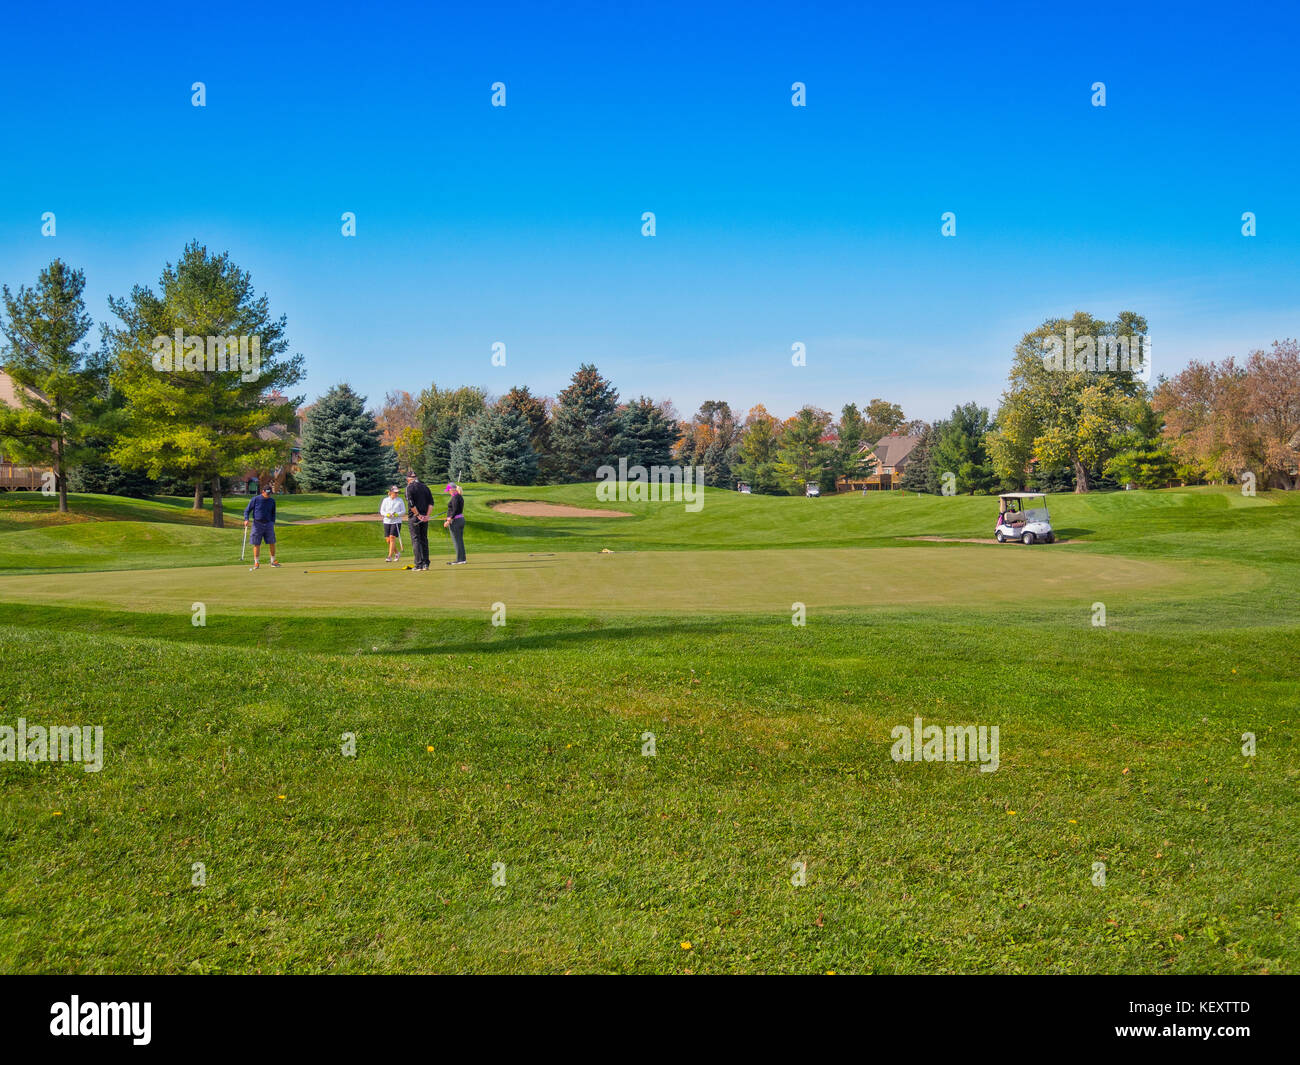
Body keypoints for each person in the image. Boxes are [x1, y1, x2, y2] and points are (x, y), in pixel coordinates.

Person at [243, 484, 280, 570]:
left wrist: (272, 522)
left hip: (268, 524)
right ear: (262, 491)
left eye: (270, 493)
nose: (268, 494)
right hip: (257, 524)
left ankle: (273, 561)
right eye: (267, 493)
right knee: (256, 543)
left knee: (272, 542)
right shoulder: (255, 499)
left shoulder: (272, 501)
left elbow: (273, 513)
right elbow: (247, 510)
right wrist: (246, 519)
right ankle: (256, 562)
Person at [405, 472, 434, 571]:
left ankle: (419, 564)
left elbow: (411, 504)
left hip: (415, 517)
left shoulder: (409, 488)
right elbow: (431, 504)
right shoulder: (425, 487)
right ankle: (426, 564)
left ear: (408, 479)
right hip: (424, 517)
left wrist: (418, 515)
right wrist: (427, 516)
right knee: (424, 540)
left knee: (416, 540)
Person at [379, 484, 406, 562]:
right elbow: (382, 511)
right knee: (388, 540)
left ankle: (389, 556)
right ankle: (397, 553)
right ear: (390, 492)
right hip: (387, 521)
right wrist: (387, 514)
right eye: (395, 492)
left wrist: (397, 514)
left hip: (396, 521)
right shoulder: (385, 500)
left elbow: (403, 511)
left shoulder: (400, 500)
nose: (396, 494)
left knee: (392, 537)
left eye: (397, 492)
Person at [443, 482, 466, 565]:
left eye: (449, 490)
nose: (448, 492)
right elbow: (455, 509)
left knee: (457, 540)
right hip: (460, 520)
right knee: (459, 540)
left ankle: (460, 559)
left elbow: (455, 510)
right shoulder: (458, 496)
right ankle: (462, 559)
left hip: (456, 521)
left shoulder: (455, 497)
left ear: (452, 489)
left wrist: (449, 520)